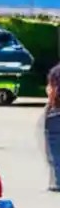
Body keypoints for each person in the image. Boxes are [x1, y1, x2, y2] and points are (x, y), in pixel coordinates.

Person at [47, 63, 60, 192]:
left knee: (56, 151)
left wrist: (50, 106)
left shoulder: (56, 71)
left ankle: (59, 181)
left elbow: (53, 91)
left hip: (57, 112)